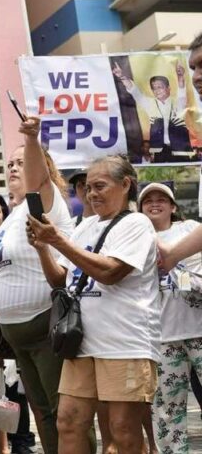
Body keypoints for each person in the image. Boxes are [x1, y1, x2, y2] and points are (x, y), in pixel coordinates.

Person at [27, 155, 160, 454]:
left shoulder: (137, 223)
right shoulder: (85, 227)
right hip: (82, 343)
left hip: (125, 343)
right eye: (88, 188)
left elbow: (111, 272)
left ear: (125, 184)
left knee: (123, 429)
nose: (92, 194)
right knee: (68, 421)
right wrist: (42, 247)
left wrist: (59, 241)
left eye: (100, 186)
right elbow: (60, 280)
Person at [0, 116, 73, 454]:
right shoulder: (12, 215)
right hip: (15, 334)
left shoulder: (44, 203)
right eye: (9, 163)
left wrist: (32, 139)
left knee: (64, 414)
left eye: (20, 163)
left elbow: (39, 181)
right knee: (43, 416)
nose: (12, 168)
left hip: (44, 326)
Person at [136, 182, 202, 453]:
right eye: (148, 199)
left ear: (173, 207)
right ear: (139, 209)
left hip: (199, 330)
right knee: (167, 414)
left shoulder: (189, 228)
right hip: (161, 339)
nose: (155, 203)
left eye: (162, 199)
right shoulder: (134, 237)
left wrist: (173, 257)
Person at [112, 61, 191, 163]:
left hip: (180, 151)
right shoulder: (150, 103)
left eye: (159, 87)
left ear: (168, 88)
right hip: (160, 151)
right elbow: (135, 92)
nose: (157, 90)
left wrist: (180, 77)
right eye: (154, 88)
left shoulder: (178, 102)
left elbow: (181, 90)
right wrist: (122, 76)